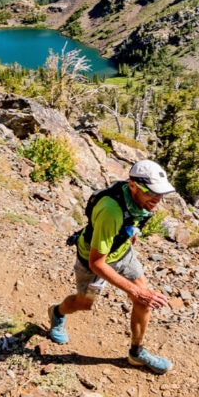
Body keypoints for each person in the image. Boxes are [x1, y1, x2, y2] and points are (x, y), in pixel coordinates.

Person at [48, 160, 176, 374]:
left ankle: (136, 352)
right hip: (94, 261)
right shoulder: (110, 211)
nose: (157, 199)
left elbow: (133, 217)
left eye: (161, 193)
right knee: (83, 303)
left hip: (123, 252)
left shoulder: (139, 200)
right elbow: (96, 263)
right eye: (152, 192)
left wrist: (131, 233)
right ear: (133, 185)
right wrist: (135, 290)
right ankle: (57, 313)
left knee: (143, 300)